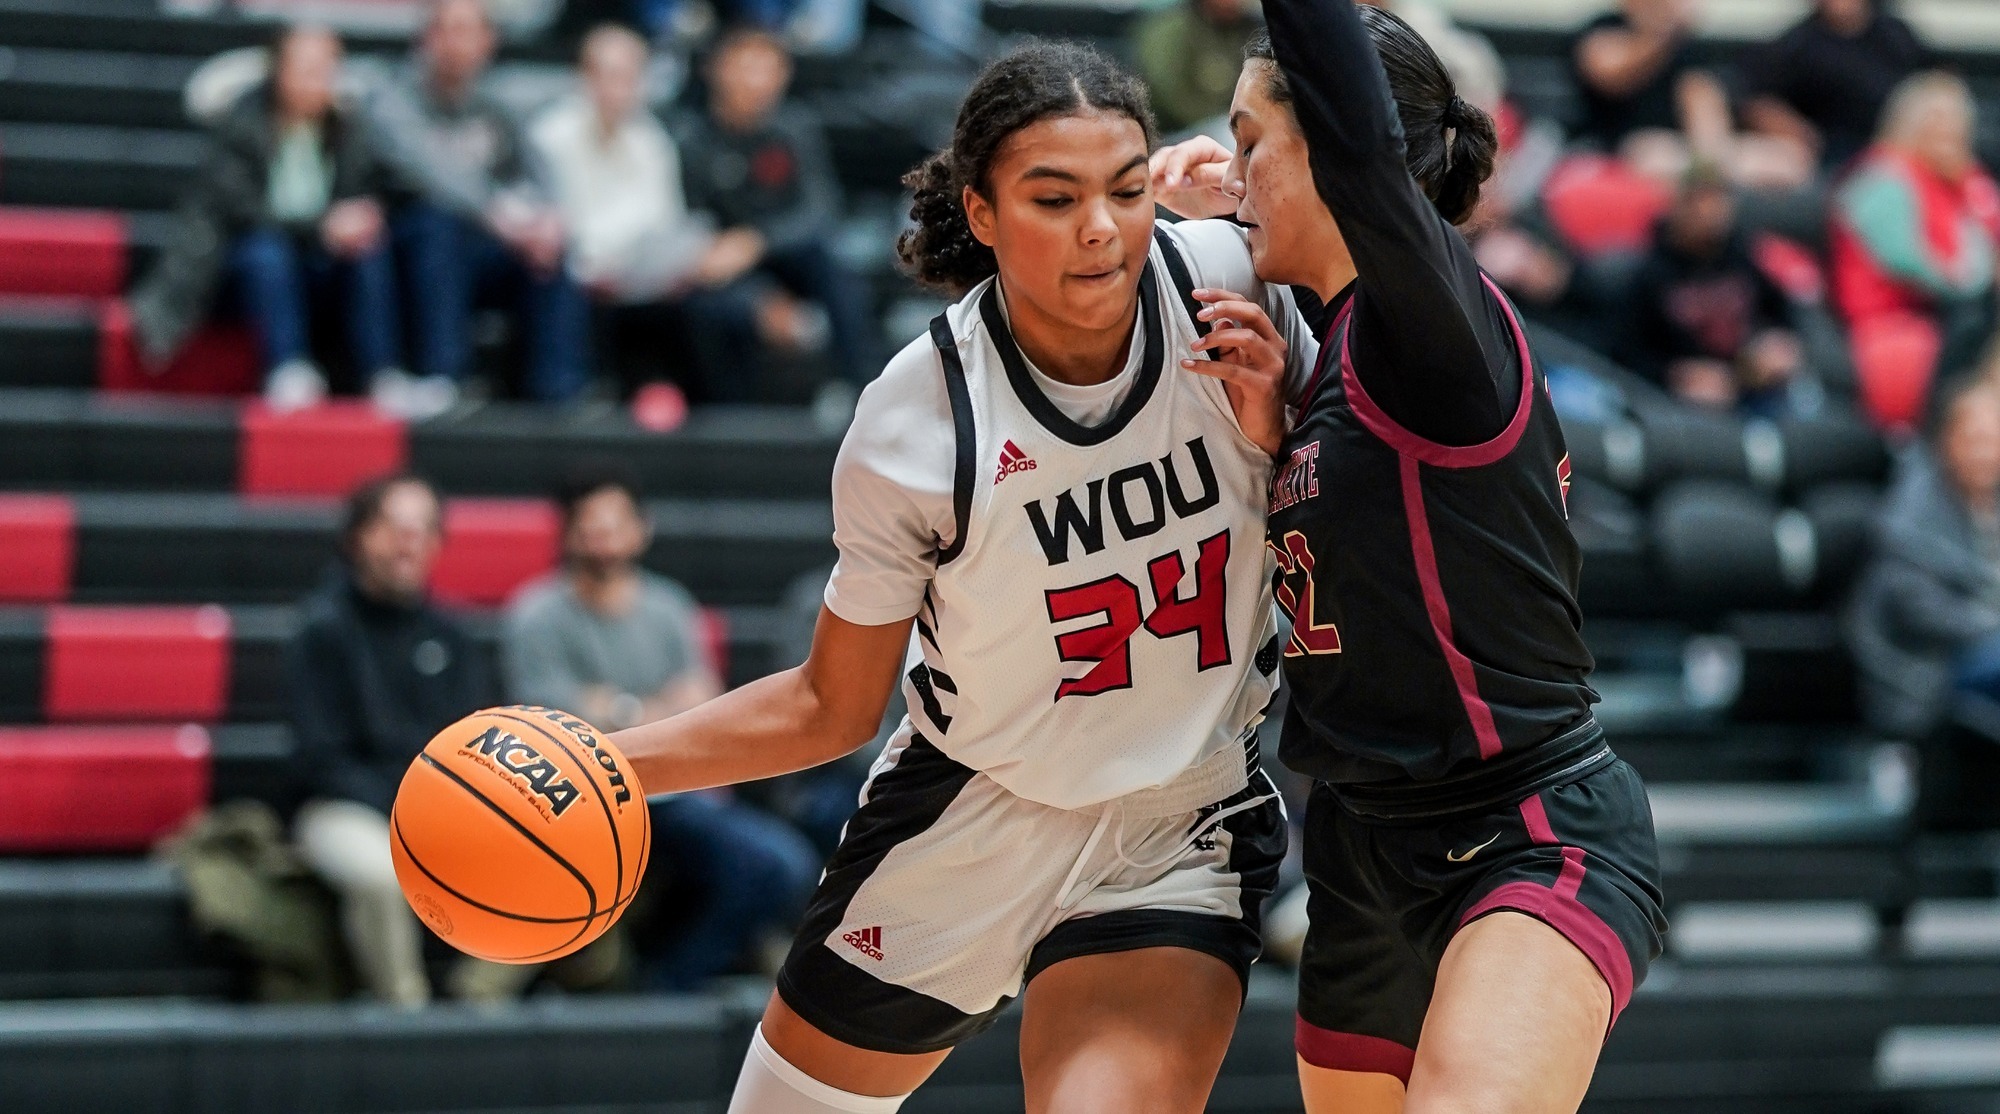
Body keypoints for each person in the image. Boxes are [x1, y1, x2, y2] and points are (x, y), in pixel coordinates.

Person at [601, 41, 1317, 1114]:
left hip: (1178, 821)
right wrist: (606, 766)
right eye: (1054, 198)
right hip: (971, 813)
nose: (1099, 228)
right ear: (981, 212)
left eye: (1127, 190)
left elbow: (1416, 409)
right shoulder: (918, 417)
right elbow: (830, 705)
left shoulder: (1232, 284)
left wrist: (1282, 430)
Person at [1151, 1, 1667, 1110]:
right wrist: (1271, 434)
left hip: (1523, 827)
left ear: (1339, 152)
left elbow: (1352, 128)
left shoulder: (1431, 327)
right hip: (1358, 847)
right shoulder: (1331, 352)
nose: (1231, 169)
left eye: (1251, 141)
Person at [503, 466, 819, 990]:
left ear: (640, 529)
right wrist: (659, 710)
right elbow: (555, 725)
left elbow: (704, 704)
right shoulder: (536, 615)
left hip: (676, 791)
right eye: (589, 525)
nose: (602, 538)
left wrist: (616, 708)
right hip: (583, 801)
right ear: (568, 533)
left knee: (781, 865)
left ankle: (668, 988)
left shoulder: (668, 607)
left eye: (614, 524)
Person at [286, 473, 495, 1008]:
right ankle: (407, 1014)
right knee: (380, 875)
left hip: (440, 808)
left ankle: (477, 1006)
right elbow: (319, 760)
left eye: (422, 528)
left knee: (550, 861)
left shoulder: (454, 635)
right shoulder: (322, 631)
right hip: (345, 808)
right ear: (358, 536)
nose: (408, 540)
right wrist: (408, 811)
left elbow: (479, 744)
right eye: (393, 525)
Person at [138, 25, 405, 413]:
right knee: (267, 250)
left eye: (327, 69)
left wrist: (363, 217)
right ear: (278, 71)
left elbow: (375, 190)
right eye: (307, 69)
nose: (318, 81)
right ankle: (287, 369)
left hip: (319, 270)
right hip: (240, 270)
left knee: (366, 248)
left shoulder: (350, 129)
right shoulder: (241, 123)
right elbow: (240, 210)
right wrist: (321, 227)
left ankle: (382, 375)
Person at [371, 0, 591, 411]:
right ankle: (445, 378)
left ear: (488, 42)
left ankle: (559, 395)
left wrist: (547, 219)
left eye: (468, 31)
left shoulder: (495, 104)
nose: (456, 44)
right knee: (436, 225)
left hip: (485, 242)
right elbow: (433, 173)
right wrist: (500, 217)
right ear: (426, 39)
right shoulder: (394, 98)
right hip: (406, 245)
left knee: (551, 252)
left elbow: (537, 169)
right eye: (447, 30)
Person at [673, 29, 880, 409]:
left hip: (786, 255)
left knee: (839, 274)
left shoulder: (794, 128)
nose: (758, 82)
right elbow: (689, 222)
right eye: (747, 67)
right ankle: (726, 416)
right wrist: (759, 299)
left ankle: (865, 395)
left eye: (769, 69)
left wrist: (757, 240)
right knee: (708, 299)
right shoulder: (691, 139)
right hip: (725, 270)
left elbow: (820, 210)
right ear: (718, 70)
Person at [1831, 72, 2000, 433]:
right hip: (1894, 319)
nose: (1947, 131)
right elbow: (1914, 267)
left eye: (1955, 120)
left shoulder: (1964, 179)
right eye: (1936, 119)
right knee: (1977, 314)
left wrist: (1968, 189)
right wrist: (1980, 265)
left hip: (1950, 313)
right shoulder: (1882, 180)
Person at [1850, 377, 2000, 740]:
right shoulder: (1911, 511)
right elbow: (1916, 607)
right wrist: (1990, 626)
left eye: (1993, 441)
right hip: (1931, 664)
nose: (1984, 453)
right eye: (1975, 439)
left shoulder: (1992, 504)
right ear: (1946, 440)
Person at [1625, 164, 1811, 417]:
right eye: (1701, 203)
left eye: (1719, 202)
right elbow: (1625, 353)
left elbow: (1784, 314)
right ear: (1679, 206)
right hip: (1680, 402)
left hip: (1749, 386)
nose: (1711, 215)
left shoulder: (1742, 256)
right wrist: (1674, 375)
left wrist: (1777, 345)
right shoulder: (1649, 272)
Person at [1739, 0, 1934, 173]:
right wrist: (1791, 128)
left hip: (1895, 157)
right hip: (1828, 162)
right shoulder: (1797, 44)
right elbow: (1754, 99)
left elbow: (1932, 86)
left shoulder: (1896, 37)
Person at [1132, 0, 1262, 135]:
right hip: (1176, 131)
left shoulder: (1246, 27)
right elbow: (1170, 93)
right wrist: (1228, 121)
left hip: (1226, 121)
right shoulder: (1173, 29)